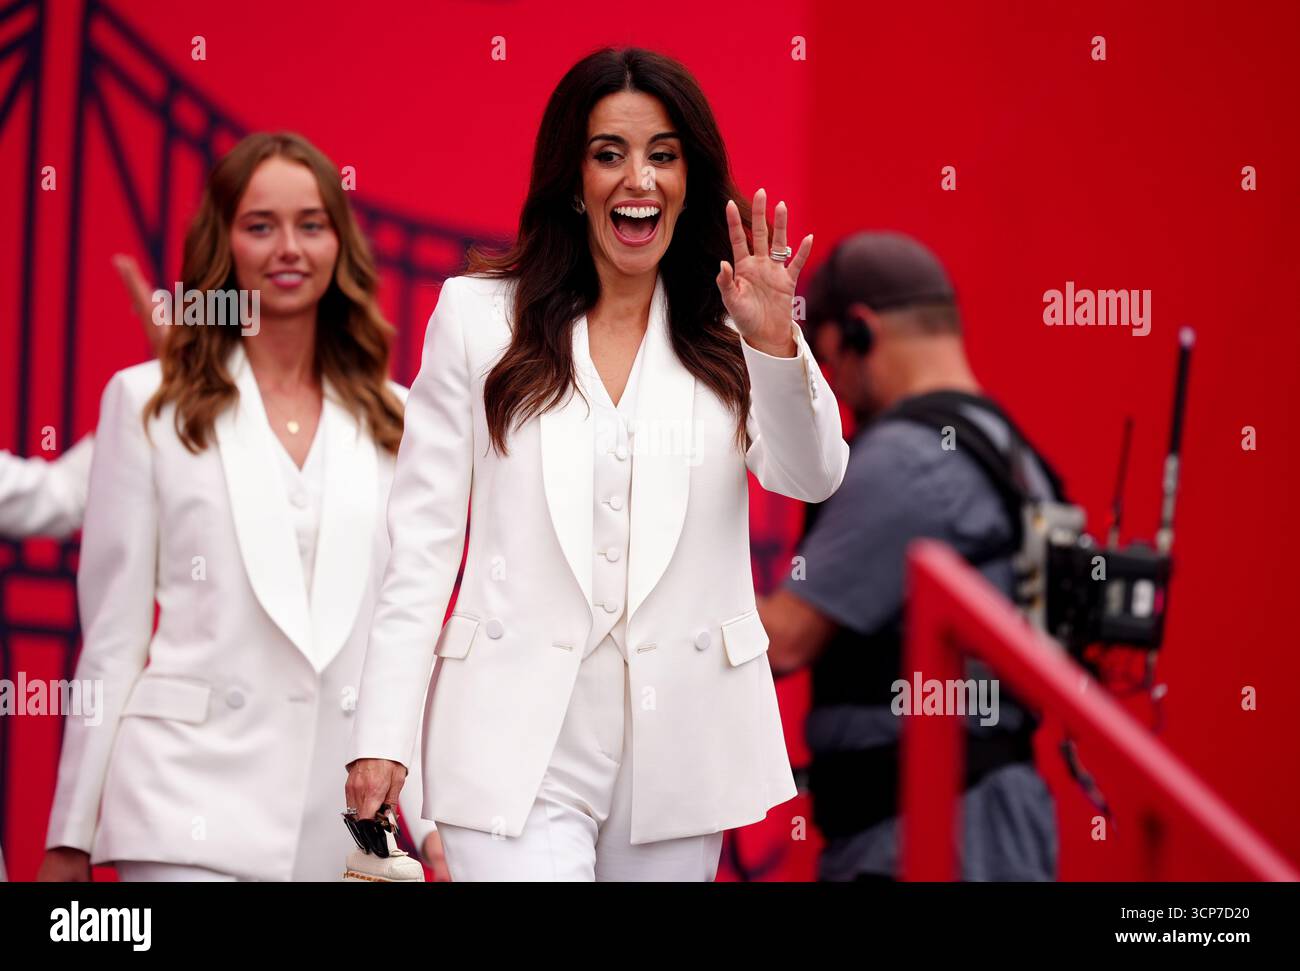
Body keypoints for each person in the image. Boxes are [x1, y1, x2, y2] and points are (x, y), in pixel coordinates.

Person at [345, 47, 849, 882]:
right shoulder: (477, 318)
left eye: (662, 154)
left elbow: (813, 472)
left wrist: (773, 340)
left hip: (682, 749)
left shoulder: (733, 333)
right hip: (510, 746)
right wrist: (383, 738)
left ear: (690, 180)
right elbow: (423, 547)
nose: (636, 178)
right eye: (609, 153)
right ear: (574, 179)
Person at [37, 131, 441, 881]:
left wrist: (438, 814)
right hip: (177, 805)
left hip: (334, 826)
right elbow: (113, 641)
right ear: (222, 243)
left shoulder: (402, 419)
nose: (288, 246)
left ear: (339, 244)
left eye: (311, 223)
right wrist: (70, 836)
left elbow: (408, 634)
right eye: (260, 225)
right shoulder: (146, 405)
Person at [759, 231, 1060, 881]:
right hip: (987, 823)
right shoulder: (1011, 451)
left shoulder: (906, 457)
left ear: (860, 331)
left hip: (931, 837)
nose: (835, 387)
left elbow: (782, 640)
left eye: (829, 363)